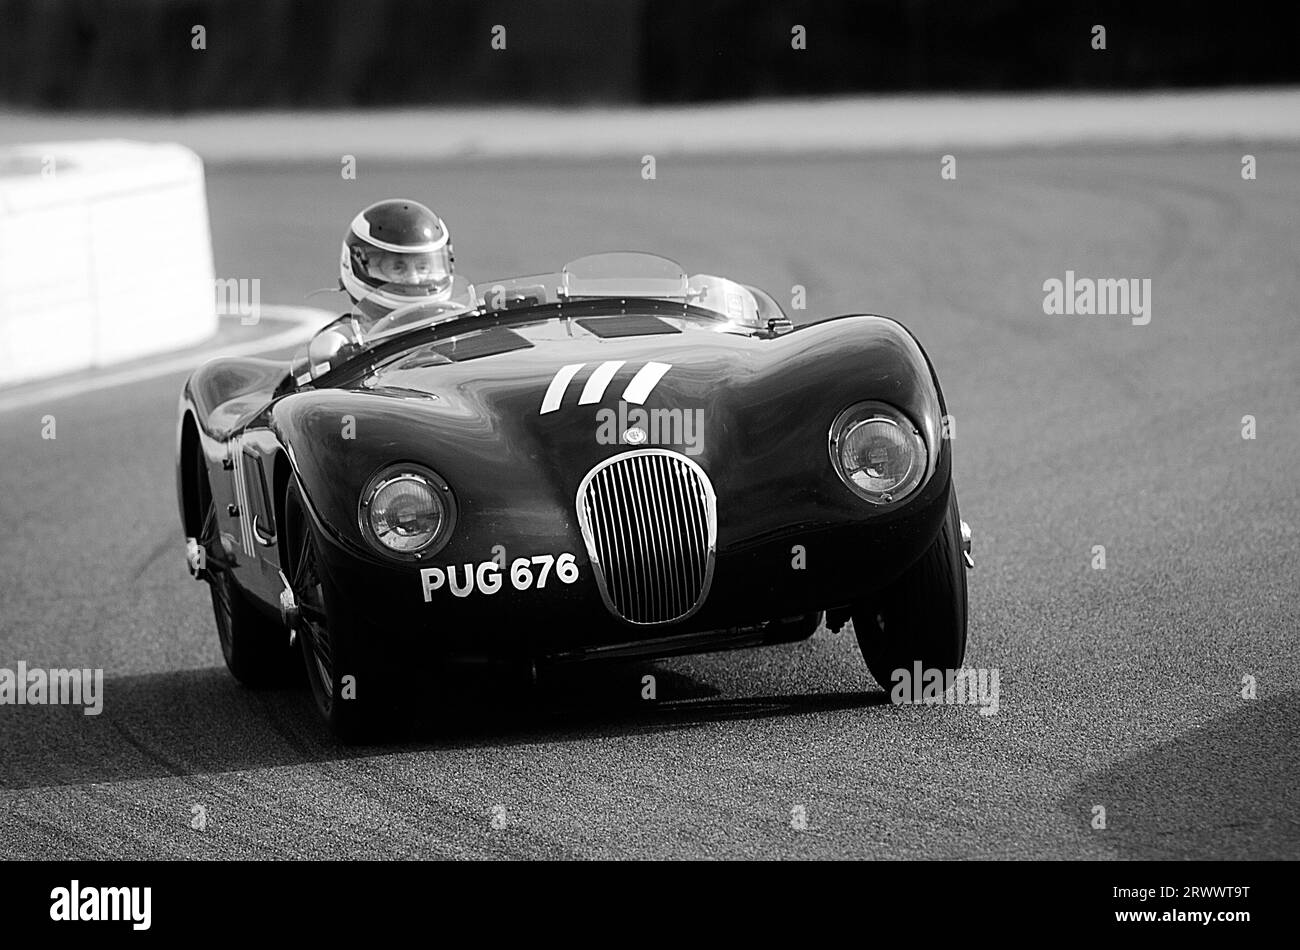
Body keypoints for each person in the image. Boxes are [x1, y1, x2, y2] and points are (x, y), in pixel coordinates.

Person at [339, 198, 456, 325]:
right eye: (398, 268)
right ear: (356, 266)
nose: (414, 280)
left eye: (422, 267)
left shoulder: (458, 329)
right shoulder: (342, 339)